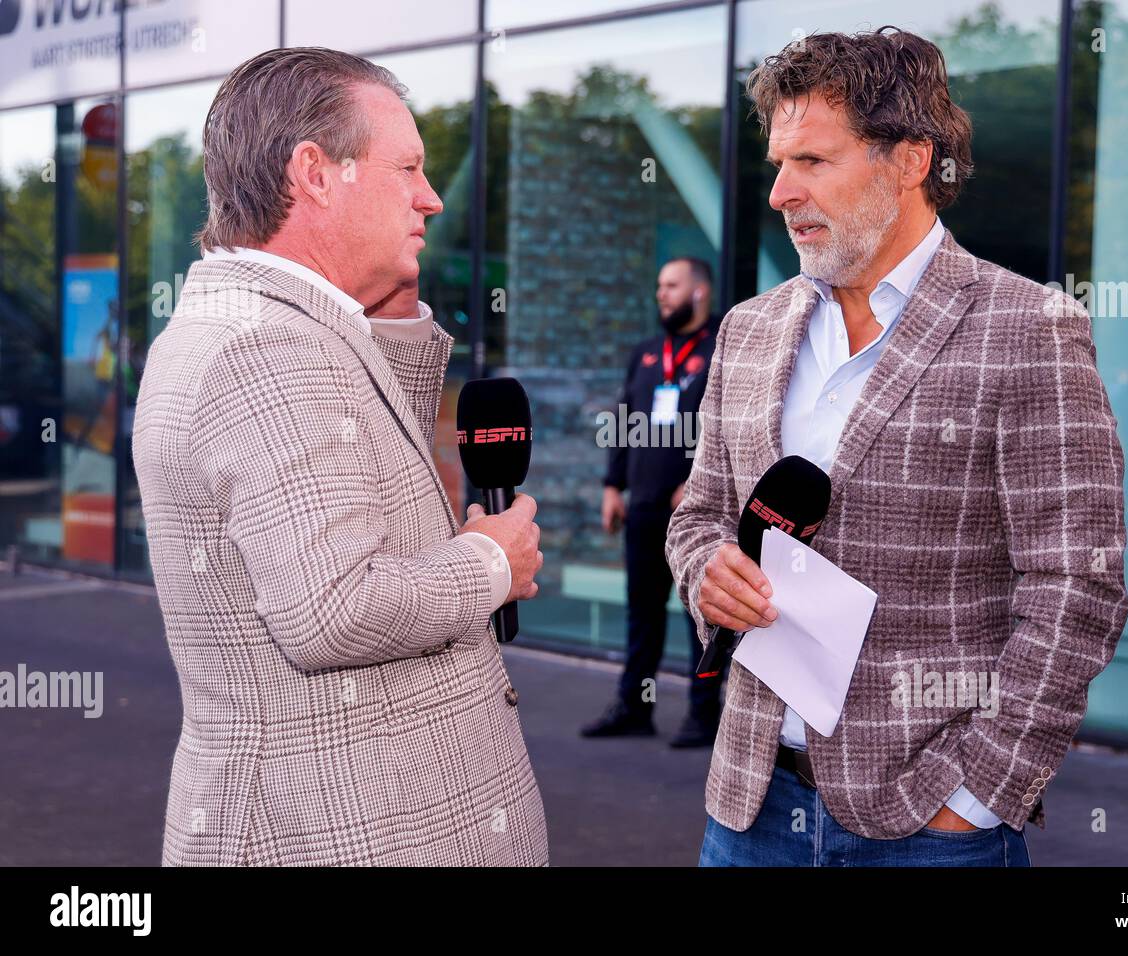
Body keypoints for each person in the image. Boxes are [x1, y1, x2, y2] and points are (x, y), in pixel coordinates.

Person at [666, 28, 1128, 866]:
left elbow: (1078, 583)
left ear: (911, 159)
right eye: (779, 163)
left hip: (929, 825)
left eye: (813, 162)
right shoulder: (748, 329)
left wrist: (981, 793)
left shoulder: (1030, 329)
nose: (779, 192)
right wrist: (708, 572)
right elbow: (698, 513)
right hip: (749, 805)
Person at [131, 48, 547, 866]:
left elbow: (358, 441)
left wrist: (386, 310)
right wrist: (489, 565)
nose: (430, 197)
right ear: (316, 174)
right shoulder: (266, 351)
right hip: (336, 838)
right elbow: (333, 611)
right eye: (408, 168)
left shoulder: (276, 330)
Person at [583, 258, 727, 747]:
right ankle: (635, 707)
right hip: (643, 506)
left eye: (671, 286)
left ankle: (704, 714)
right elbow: (624, 419)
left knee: (699, 618)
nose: (661, 294)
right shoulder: (646, 354)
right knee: (641, 611)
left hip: (696, 513)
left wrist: (699, 480)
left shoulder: (718, 351)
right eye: (659, 286)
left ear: (699, 292)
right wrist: (611, 485)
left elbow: (727, 427)